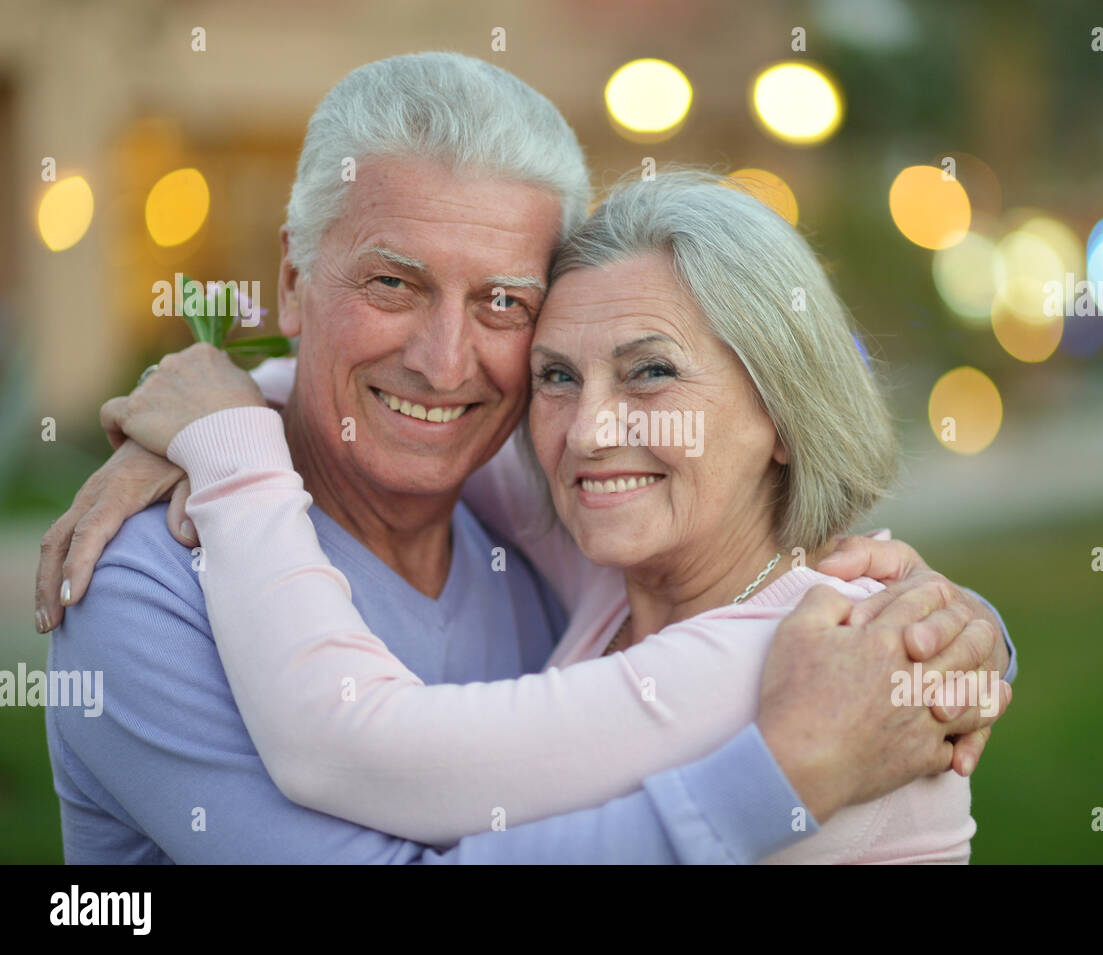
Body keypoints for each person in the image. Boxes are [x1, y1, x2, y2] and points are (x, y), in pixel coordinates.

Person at [36, 52, 1013, 864]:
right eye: (392, 282)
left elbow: (354, 743)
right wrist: (229, 413)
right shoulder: (145, 586)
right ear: (293, 284)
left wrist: (955, 634)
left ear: (785, 415)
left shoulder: (761, 629)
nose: (446, 360)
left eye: (503, 302)